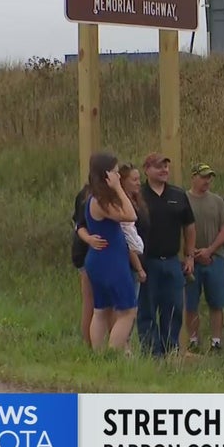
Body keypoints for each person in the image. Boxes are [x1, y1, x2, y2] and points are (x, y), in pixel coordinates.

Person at [134, 152, 196, 358]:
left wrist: (189, 255)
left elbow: (189, 225)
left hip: (171, 261)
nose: (164, 170)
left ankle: (171, 349)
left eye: (166, 166)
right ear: (147, 170)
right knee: (147, 308)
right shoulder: (138, 195)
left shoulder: (178, 195)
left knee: (174, 307)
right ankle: (152, 352)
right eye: (159, 166)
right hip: (147, 261)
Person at [81, 151, 140, 354]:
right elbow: (131, 215)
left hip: (100, 258)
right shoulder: (100, 200)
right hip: (110, 261)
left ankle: (98, 355)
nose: (117, 176)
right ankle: (113, 354)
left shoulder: (94, 198)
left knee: (102, 309)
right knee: (128, 310)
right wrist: (118, 188)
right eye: (114, 172)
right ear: (106, 175)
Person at [184, 162, 224, 353]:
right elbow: (180, 229)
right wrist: (192, 251)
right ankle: (194, 339)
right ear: (193, 177)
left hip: (215, 258)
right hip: (191, 258)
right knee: (191, 302)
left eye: (209, 177)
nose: (207, 181)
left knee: (216, 302)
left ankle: (216, 341)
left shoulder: (217, 201)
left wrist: (209, 250)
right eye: (203, 177)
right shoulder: (184, 199)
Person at [72, 182, 109, 346]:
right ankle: (90, 344)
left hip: (94, 252)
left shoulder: (89, 194)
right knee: (92, 302)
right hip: (89, 252)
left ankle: (95, 343)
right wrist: (88, 239)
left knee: (98, 303)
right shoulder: (91, 196)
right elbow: (79, 225)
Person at [118, 163, 149, 313]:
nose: (138, 183)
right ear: (123, 181)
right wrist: (139, 267)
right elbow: (127, 238)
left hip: (141, 257)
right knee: (128, 310)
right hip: (129, 263)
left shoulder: (138, 201)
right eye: (134, 179)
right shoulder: (122, 204)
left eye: (139, 179)